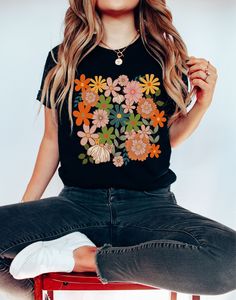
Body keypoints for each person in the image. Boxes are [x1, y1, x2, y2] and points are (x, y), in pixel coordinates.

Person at [0, 0, 235, 299]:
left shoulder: (167, 57)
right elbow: (51, 140)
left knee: (231, 259)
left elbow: (166, 139)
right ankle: (62, 259)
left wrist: (202, 105)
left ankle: (83, 258)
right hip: (76, 206)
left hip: (151, 208)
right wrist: (26, 214)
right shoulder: (62, 58)